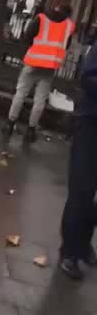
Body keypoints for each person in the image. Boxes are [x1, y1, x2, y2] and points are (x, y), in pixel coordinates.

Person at [4, 4, 74, 143]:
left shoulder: (41, 18)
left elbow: (27, 37)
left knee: (20, 93)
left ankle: (9, 124)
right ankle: (31, 130)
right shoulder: (68, 25)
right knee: (40, 100)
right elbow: (66, 45)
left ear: (56, 8)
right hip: (50, 66)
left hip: (33, 62)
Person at [60, 39, 97, 280]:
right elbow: (87, 76)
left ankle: (82, 241)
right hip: (91, 124)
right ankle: (70, 252)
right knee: (82, 190)